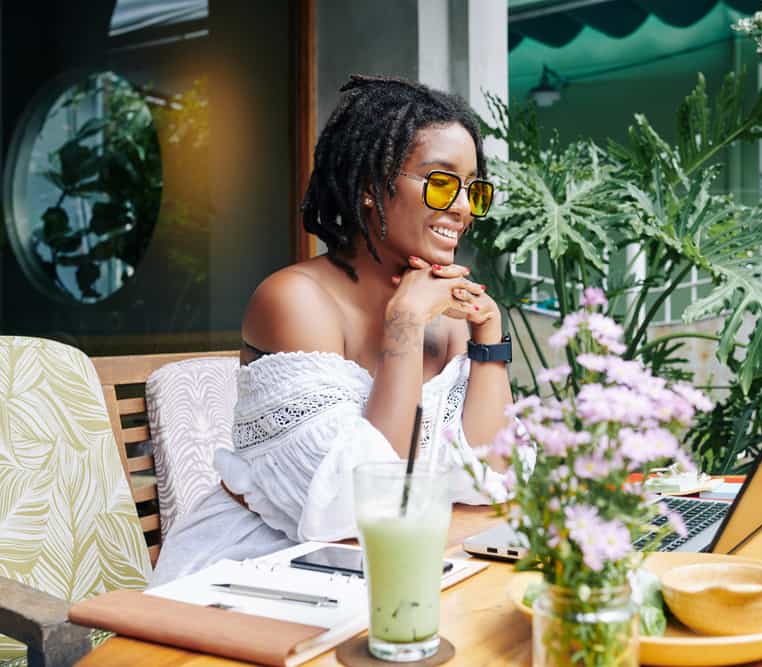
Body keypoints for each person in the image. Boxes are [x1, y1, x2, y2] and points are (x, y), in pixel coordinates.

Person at [150, 75, 512, 585]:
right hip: (253, 570)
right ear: (369, 187)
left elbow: (490, 479)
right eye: (441, 182)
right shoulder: (296, 301)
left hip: (388, 567)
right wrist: (404, 325)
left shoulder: (447, 317)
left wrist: (489, 337)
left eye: (474, 189)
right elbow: (358, 508)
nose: (462, 207)